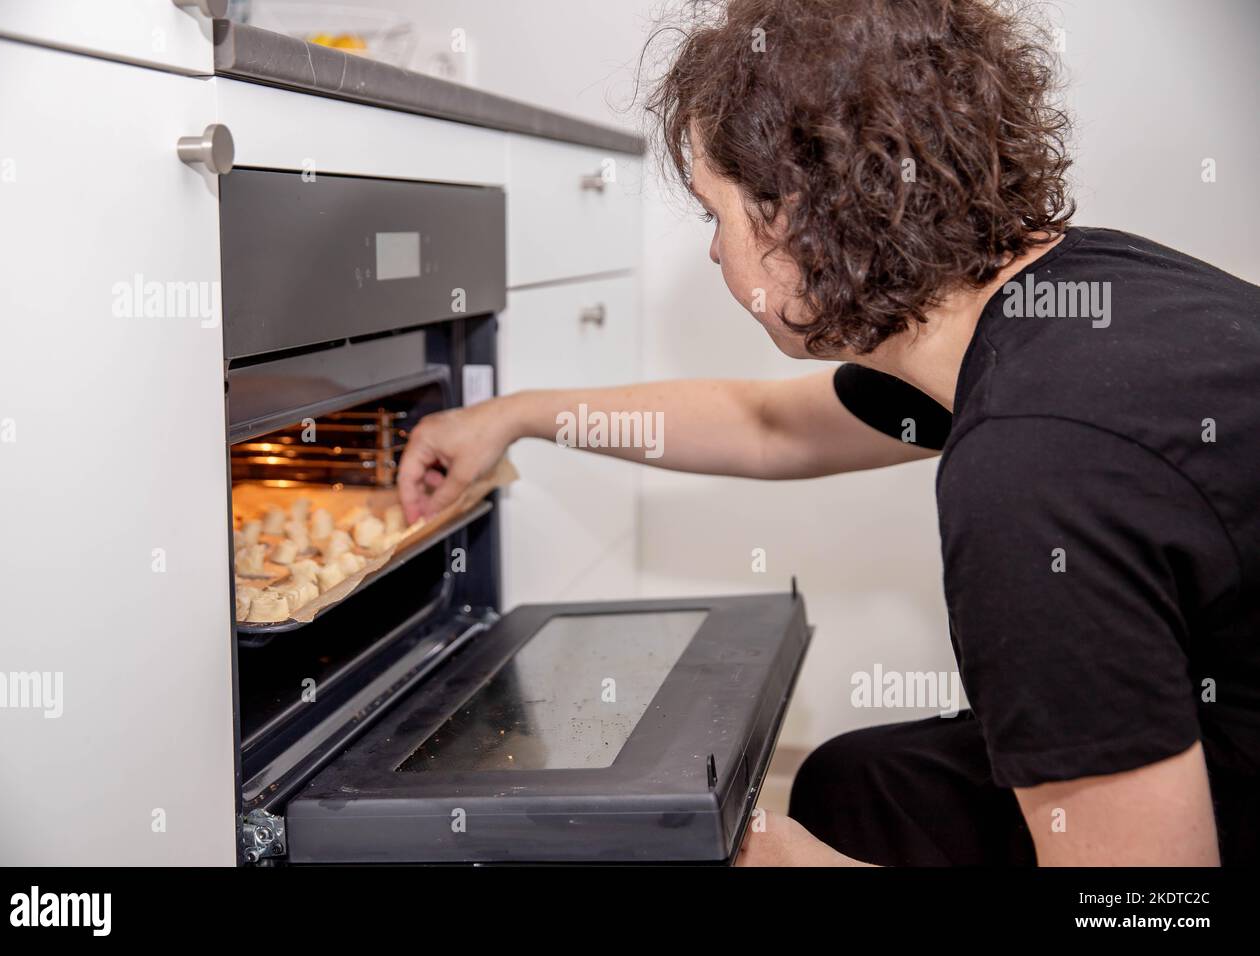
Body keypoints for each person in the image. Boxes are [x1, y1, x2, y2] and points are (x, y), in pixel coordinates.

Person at [396, 0, 1259, 866]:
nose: (712, 254)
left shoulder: (1033, 477)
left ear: (804, 216)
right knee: (857, 784)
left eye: (714, 215)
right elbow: (768, 426)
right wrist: (509, 417)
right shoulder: (1070, 288)